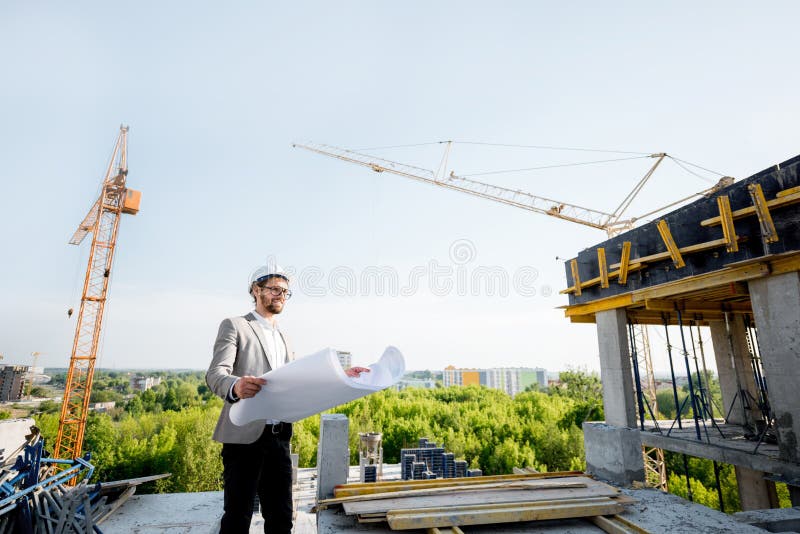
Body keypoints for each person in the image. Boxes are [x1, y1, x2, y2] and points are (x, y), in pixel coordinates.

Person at [206, 262, 369, 533]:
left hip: (279, 439)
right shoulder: (235, 326)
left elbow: (298, 382)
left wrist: (343, 375)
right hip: (243, 438)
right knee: (237, 517)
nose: (281, 295)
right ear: (256, 290)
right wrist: (236, 386)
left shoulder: (285, 338)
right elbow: (214, 375)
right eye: (274, 289)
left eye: (285, 292)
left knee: (281, 518)